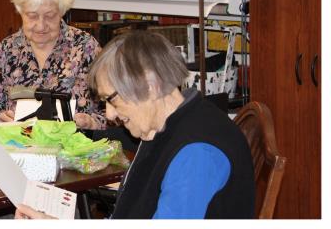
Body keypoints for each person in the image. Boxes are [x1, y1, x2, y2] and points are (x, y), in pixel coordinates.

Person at [16, 31, 255, 219]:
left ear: (150, 85)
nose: (109, 114)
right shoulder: (163, 127)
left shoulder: (197, 153)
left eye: (112, 99)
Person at [0, 0, 104, 129]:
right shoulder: (5, 50)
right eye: (32, 16)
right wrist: (1, 120)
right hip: (19, 148)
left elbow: (111, 114)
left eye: (49, 16)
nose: (40, 26)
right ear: (20, 11)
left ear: (61, 11)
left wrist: (91, 123)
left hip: (72, 149)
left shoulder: (86, 48)